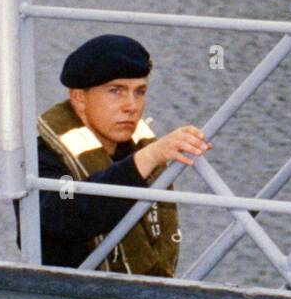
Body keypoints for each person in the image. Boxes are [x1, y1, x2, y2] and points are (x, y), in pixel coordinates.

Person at [13, 34, 211, 275]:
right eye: (116, 91)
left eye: (139, 91)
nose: (132, 106)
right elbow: (65, 217)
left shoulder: (133, 149)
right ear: (79, 98)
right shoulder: (40, 160)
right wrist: (146, 160)